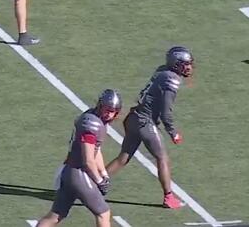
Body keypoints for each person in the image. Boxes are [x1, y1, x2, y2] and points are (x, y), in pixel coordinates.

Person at [106, 47, 193, 210]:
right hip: (144, 122)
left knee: (123, 158)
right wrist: (173, 132)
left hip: (133, 117)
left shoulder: (163, 71)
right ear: (175, 64)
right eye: (184, 64)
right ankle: (168, 197)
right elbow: (166, 112)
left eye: (189, 64)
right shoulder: (171, 80)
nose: (188, 67)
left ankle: (93, 182)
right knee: (162, 158)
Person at [35, 89, 122, 227]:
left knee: (56, 215)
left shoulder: (93, 118)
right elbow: (88, 160)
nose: (108, 114)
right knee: (103, 213)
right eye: (106, 109)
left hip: (71, 171)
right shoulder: (92, 124)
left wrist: (104, 173)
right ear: (100, 105)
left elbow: (96, 150)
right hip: (78, 172)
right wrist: (99, 181)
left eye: (112, 111)